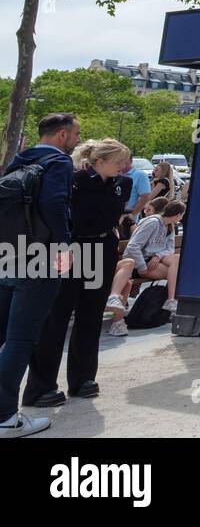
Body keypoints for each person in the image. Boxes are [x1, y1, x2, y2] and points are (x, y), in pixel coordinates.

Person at [23, 139, 132, 407]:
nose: (124, 166)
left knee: (91, 314)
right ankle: (42, 385)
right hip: (72, 248)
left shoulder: (123, 184)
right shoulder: (73, 180)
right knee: (56, 316)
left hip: (102, 247)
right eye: (118, 161)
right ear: (100, 161)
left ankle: (83, 378)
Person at [0, 112, 79, 438]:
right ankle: (6, 417)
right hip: (41, 259)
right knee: (21, 339)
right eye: (75, 134)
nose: (77, 140)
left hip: (9, 255)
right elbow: (54, 204)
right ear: (62, 135)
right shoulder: (58, 163)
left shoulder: (19, 159)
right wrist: (64, 248)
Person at [104, 200, 184, 334]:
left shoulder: (169, 226)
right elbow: (133, 246)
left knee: (178, 263)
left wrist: (158, 255)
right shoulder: (153, 223)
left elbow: (169, 249)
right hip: (137, 264)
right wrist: (142, 265)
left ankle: (171, 301)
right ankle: (170, 301)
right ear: (177, 214)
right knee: (176, 266)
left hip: (151, 261)